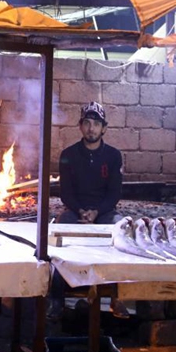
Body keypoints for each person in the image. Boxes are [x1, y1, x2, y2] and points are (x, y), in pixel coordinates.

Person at [49, 101, 128, 319]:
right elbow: (66, 193)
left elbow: (114, 194)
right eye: (87, 123)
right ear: (80, 126)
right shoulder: (68, 155)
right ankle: (56, 299)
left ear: (104, 128)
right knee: (58, 236)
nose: (91, 128)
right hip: (76, 210)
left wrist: (96, 212)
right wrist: (81, 211)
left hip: (104, 211)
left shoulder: (113, 156)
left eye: (96, 123)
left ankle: (117, 297)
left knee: (121, 230)